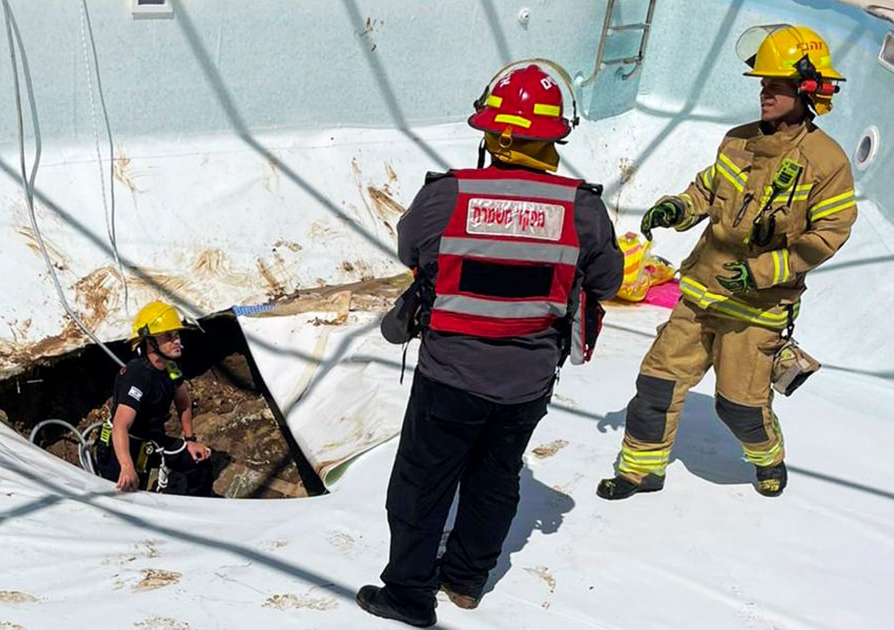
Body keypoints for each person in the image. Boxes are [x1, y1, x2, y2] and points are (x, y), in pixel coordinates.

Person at [357, 61, 624, 627]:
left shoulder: (447, 195)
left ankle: (408, 594)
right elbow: (608, 282)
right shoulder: (582, 208)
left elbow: (413, 252)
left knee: (421, 483)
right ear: (553, 137)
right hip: (527, 383)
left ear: (495, 134)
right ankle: (466, 582)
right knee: (495, 477)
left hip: (449, 377)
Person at [597, 24, 857, 501]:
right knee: (657, 383)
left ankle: (768, 456)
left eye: (776, 86)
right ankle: (640, 471)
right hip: (700, 291)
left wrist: (759, 272)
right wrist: (679, 207)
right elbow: (709, 189)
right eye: (762, 84)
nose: (764, 93)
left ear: (807, 91)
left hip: (758, 308)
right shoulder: (736, 141)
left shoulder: (827, 162)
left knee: (739, 407)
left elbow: (829, 236)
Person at [94, 301, 214, 496]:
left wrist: (190, 440)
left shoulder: (171, 369)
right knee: (130, 496)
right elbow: (120, 425)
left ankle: (193, 513)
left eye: (176, 335)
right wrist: (126, 466)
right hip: (122, 449)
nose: (176, 341)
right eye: (168, 336)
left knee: (198, 463)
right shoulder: (138, 375)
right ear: (150, 342)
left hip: (151, 441)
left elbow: (183, 403)